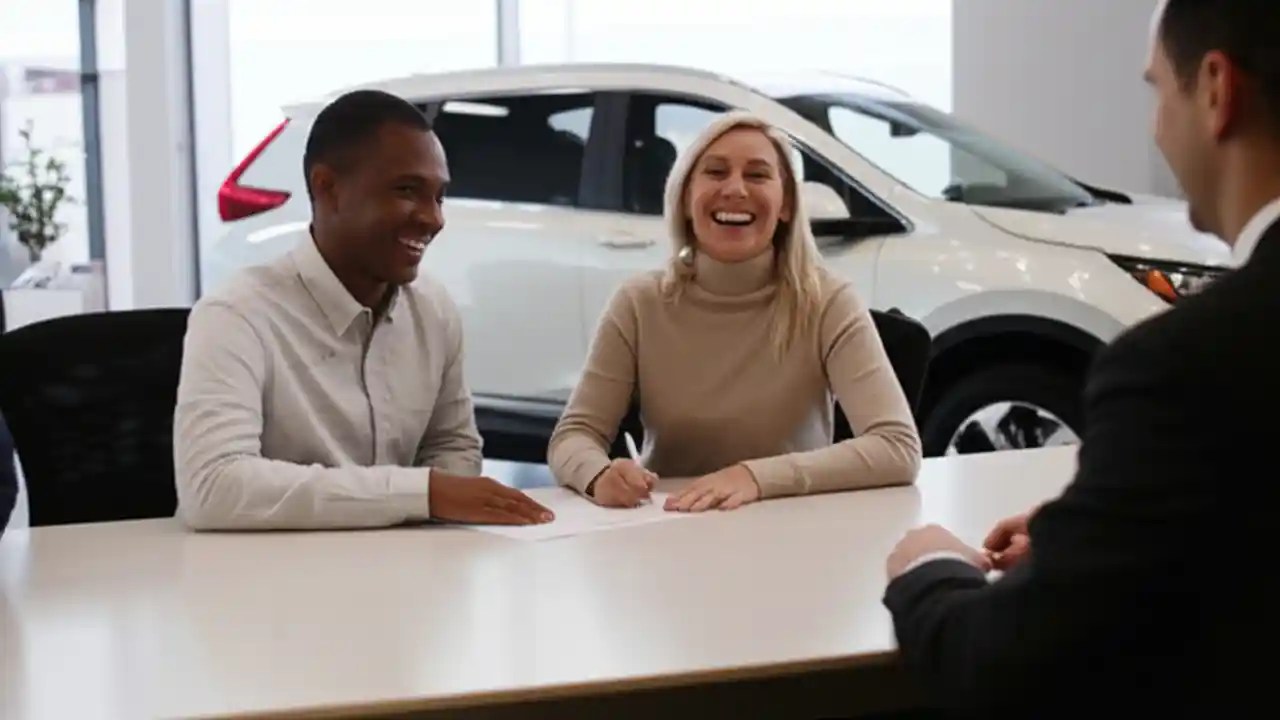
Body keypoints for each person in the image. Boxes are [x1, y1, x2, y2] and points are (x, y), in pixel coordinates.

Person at [883, 0, 1279, 714]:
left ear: (1216, 91)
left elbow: (1011, 668)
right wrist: (1107, 525)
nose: (1156, 127)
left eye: (1158, 91)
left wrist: (928, 567)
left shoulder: (1182, 365)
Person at [174, 90, 553, 530]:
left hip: (403, 565)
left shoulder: (433, 310)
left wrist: (432, 505)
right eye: (407, 190)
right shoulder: (237, 315)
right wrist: (421, 494)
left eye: (439, 197)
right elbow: (214, 487)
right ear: (328, 188)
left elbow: (453, 447)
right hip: (272, 571)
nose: (433, 219)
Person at [548, 111, 921, 512]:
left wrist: (755, 477)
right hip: (673, 524)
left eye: (757, 175)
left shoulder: (828, 301)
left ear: (786, 205)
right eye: (715, 172)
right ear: (685, 198)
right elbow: (574, 435)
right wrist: (598, 475)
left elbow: (897, 447)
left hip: (793, 525)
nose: (735, 189)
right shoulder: (638, 303)